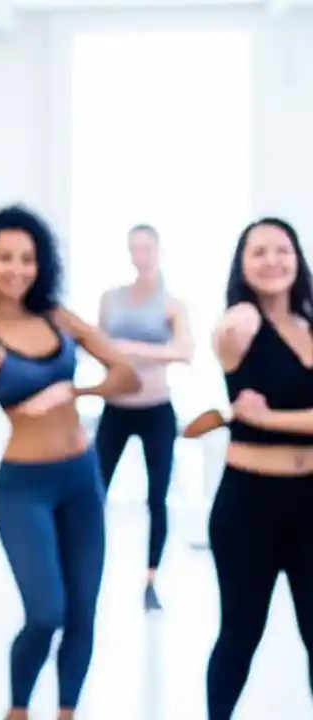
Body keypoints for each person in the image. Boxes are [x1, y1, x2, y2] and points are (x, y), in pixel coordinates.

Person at [0, 205, 140, 720]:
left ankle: (66, 712)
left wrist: (76, 390)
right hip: (25, 490)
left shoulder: (59, 319)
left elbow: (127, 375)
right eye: (5, 258)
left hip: (81, 480)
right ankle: (17, 710)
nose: (18, 269)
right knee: (46, 612)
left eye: (27, 258)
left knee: (82, 613)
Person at [200, 218, 313, 720]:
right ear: (241, 265)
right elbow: (224, 334)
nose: (272, 260)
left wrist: (269, 418)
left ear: (298, 259)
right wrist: (236, 317)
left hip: (309, 502)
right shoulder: (239, 327)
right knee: (240, 633)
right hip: (249, 505)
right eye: (258, 252)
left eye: (282, 250)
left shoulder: (309, 325)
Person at [94, 224, 194, 611]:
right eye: (134, 248)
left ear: (158, 250)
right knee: (94, 492)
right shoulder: (110, 300)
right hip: (116, 408)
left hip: (156, 409)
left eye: (146, 248)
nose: (141, 255)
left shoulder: (172, 304)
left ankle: (151, 580)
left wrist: (134, 349)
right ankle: (86, 570)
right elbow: (97, 344)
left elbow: (185, 351)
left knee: (157, 498)